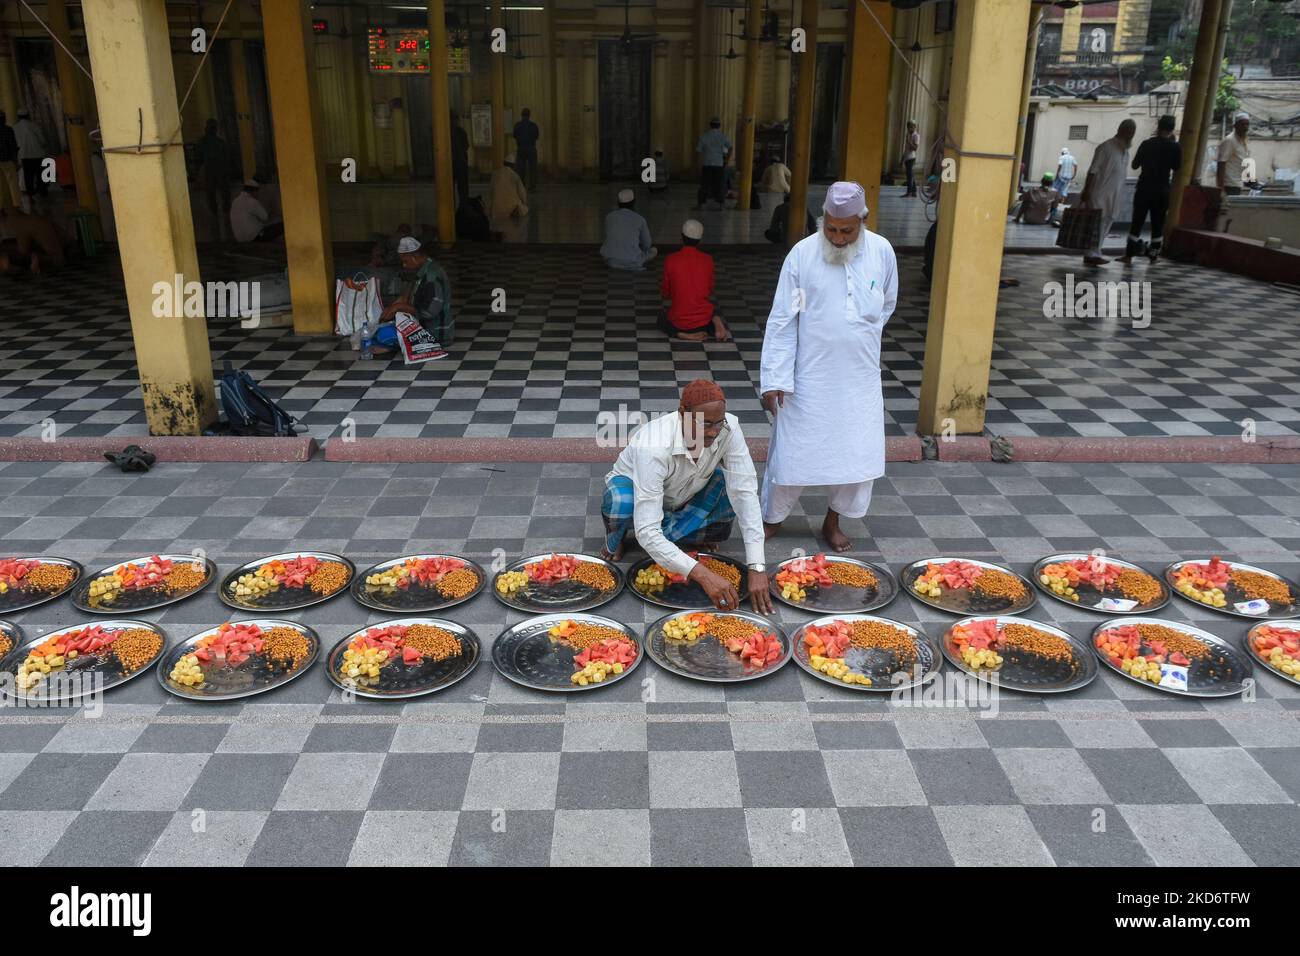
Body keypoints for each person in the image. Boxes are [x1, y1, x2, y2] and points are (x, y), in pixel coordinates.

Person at [760, 181, 897, 552]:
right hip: (809, 377)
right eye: (831, 229)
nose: (837, 238)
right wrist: (774, 379)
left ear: (862, 222)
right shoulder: (802, 256)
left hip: (859, 378)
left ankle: (832, 521)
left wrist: (855, 338)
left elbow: (886, 305)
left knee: (855, 456)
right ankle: (771, 518)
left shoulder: (882, 252)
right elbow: (783, 320)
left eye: (846, 231)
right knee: (792, 452)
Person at [601, 378, 772, 614]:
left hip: (686, 493)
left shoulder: (729, 428)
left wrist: (757, 566)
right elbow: (648, 531)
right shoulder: (653, 445)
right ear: (682, 414)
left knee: (728, 486)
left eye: (718, 423)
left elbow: (745, 493)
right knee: (622, 504)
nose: (713, 432)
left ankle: (680, 540)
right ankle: (618, 536)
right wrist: (703, 575)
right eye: (705, 424)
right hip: (638, 494)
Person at [659, 219, 731, 343]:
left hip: (679, 321)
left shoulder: (670, 259)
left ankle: (681, 335)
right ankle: (718, 326)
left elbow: (666, 292)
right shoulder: (708, 260)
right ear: (700, 240)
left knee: (661, 319)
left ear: (681, 237)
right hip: (702, 321)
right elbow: (709, 289)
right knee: (712, 311)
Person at [378, 236, 453, 352]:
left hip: (437, 334)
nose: (404, 265)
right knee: (383, 332)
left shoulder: (432, 276)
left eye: (405, 261)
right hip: (426, 327)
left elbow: (429, 312)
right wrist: (398, 303)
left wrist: (399, 307)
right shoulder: (423, 270)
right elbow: (410, 292)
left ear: (415, 257)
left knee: (384, 336)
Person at [1077, 119, 1135, 267]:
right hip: (1099, 193)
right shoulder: (1106, 147)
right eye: (1130, 131)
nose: (1132, 135)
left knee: (1107, 222)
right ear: (1122, 130)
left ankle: (1096, 252)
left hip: (1115, 195)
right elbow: (1093, 170)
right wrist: (1087, 191)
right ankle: (1091, 254)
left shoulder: (1125, 151)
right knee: (1097, 223)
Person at [1124, 113, 1181, 262]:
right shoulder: (1175, 147)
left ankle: (1129, 255)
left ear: (1158, 126)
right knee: (1158, 223)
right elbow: (1177, 167)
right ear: (1172, 129)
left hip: (1144, 188)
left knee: (1137, 221)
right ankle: (1154, 255)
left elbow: (1135, 165)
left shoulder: (1146, 144)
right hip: (1162, 190)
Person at [600, 188, 657, 271]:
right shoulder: (640, 219)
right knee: (654, 250)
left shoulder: (609, 217)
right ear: (634, 202)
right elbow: (647, 245)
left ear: (618, 203)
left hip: (610, 261)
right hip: (633, 260)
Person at [0, 206, 67, 273]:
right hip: (58, 241)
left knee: (57, 260)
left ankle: (39, 261)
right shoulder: (23, 218)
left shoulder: (14, 222)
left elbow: (23, 248)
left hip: (56, 247)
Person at [197, 119, 232, 238]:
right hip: (221, 170)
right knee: (224, 191)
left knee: (211, 193)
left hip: (210, 170)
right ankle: (226, 211)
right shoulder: (220, 142)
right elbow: (227, 157)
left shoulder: (202, 142)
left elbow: (199, 157)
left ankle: (214, 213)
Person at [695, 117, 731, 209]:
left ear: (710, 125)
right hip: (719, 164)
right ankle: (720, 204)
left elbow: (699, 151)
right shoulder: (723, 136)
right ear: (719, 126)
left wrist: (699, 165)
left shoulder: (704, 136)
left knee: (704, 185)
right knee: (719, 185)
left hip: (707, 164)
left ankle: (701, 204)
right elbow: (730, 147)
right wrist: (727, 159)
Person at [1216, 111, 1253, 196]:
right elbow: (1221, 163)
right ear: (1235, 126)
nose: (1245, 127)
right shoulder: (1229, 140)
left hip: (1237, 184)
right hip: (1229, 185)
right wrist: (1220, 189)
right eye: (1242, 124)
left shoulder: (1243, 141)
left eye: (1247, 124)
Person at [14, 110, 45, 198]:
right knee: (40, 175)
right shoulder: (34, 126)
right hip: (37, 155)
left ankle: (30, 194)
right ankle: (42, 191)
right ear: (28, 116)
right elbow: (42, 141)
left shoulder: (15, 128)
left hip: (24, 156)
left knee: (28, 177)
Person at [488, 153, 528, 221]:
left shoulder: (495, 174)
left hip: (496, 209)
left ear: (504, 163)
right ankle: (514, 211)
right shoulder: (514, 175)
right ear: (513, 165)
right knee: (524, 209)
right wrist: (524, 202)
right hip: (511, 207)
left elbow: (491, 191)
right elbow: (522, 193)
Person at [512, 107, 540, 190]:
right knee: (532, 168)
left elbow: (515, 135)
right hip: (531, 148)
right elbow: (536, 136)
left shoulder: (517, 125)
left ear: (521, 115)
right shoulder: (534, 125)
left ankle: (521, 186)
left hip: (521, 148)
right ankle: (532, 186)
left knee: (520, 169)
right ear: (529, 115)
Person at [0, 112, 20, 210]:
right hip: (7, 160)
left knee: (1, 186)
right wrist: (15, 161)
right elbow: (13, 146)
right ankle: (16, 206)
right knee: (13, 184)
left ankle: (1, 208)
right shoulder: (8, 130)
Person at [450, 110, 470, 205]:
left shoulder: (444, 133)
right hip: (461, 162)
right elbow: (466, 146)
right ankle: (464, 204)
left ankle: (451, 205)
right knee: (463, 187)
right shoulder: (461, 131)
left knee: (450, 187)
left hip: (449, 163)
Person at [902, 120, 920, 197]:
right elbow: (906, 149)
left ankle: (909, 193)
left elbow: (915, 148)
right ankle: (914, 192)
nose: (909, 128)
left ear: (914, 127)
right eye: (908, 126)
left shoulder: (916, 136)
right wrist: (902, 159)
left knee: (909, 176)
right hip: (907, 157)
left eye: (911, 126)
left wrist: (909, 141)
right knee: (911, 175)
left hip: (911, 158)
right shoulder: (908, 135)